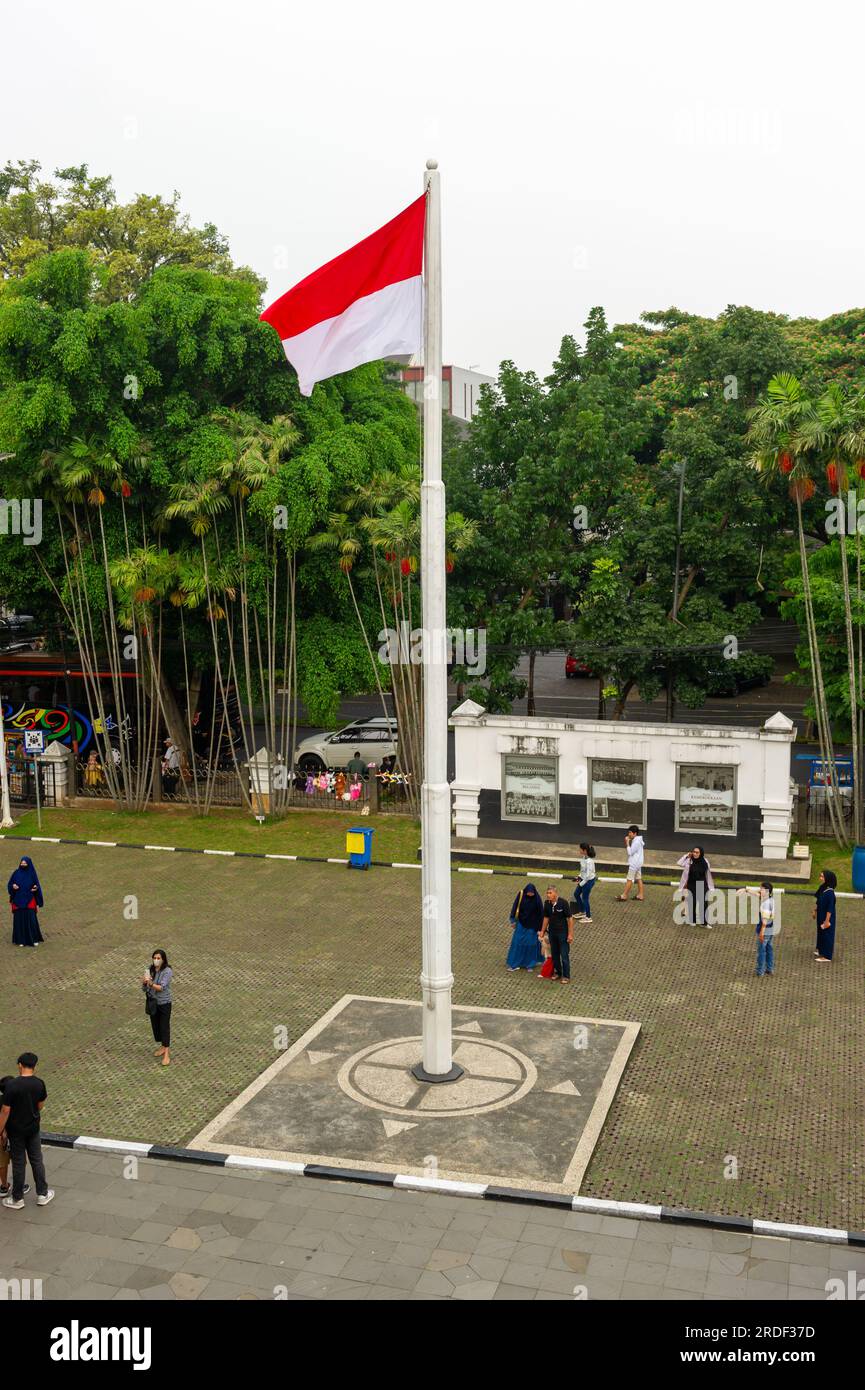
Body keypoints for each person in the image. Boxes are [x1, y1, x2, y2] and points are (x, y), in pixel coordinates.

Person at [0, 1051, 53, 1210]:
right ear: (35, 1066)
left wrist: (0, 1129)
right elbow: (40, 1105)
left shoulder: (12, 1085)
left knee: (19, 1163)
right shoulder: (39, 1083)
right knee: (37, 1160)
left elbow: (5, 1111)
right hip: (33, 1128)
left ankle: (17, 1199)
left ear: (20, 1065)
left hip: (16, 1130)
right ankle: (42, 1194)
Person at [142, 949, 173, 1065]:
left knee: (164, 1027)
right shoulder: (150, 970)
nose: (156, 960)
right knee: (156, 1026)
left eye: (158, 958)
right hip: (153, 1002)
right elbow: (144, 989)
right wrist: (144, 983)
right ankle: (162, 1046)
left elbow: (162, 987)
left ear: (163, 959)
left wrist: (151, 984)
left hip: (164, 1003)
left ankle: (166, 1053)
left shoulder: (167, 971)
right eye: (154, 958)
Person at [738, 882, 777, 975]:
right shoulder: (770, 899)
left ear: (767, 891)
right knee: (769, 949)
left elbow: (765, 919)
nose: (760, 890)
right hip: (771, 929)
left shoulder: (766, 904)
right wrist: (746, 889)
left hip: (765, 929)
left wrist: (761, 932)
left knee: (761, 951)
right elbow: (756, 894)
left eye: (762, 889)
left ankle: (760, 971)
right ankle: (770, 968)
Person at [0, 1077, 29, 1198]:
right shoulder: (18, 1099)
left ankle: (4, 1186)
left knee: (2, 1163)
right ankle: (19, 1185)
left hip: (1, 1136)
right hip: (16, 1135)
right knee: (19, 1161)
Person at [505, 883, 544, 971]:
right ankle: (515, 964)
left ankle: (529, 964)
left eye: (531, 893)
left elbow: (541, 914)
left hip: (532, 926)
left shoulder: (537, 900)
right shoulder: (521, 895)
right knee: (517, 943)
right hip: (521, 923)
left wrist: (541, 929)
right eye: (528, 893)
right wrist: (513, 920)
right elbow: (515, 907)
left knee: (530, 944)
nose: (530, 895)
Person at [8, 856, 44, 947]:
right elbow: (10, 884)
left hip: (29, 900)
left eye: (25, 863)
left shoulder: (32, 874)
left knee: (31, 920)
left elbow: (37, 885)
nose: (23, 864)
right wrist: (13, 886)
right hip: (18, 900)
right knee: (19, 920)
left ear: (28, 864)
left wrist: (35, 888)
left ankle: (34, 939)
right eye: (22, 863)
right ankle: (21, 940)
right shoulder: (16, 873)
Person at [541, 885, 573, 983]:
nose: (548, 895)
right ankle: (558, 972)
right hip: (552, 933)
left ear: (555, 893)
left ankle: (566, 976)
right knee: (555, 955)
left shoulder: (563, 903)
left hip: (562, 933)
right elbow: (546, 917)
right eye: (547, 893)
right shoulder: (547, 904)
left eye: (550, 893)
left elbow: (570, 919)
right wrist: (542, 930)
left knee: (564, 955)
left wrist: (570, 934)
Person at [676, 846, 715, 927]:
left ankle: (704, 923)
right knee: (692, 902)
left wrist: (709, 886)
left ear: (701, 853)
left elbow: (707, 873)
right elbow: (679, 863)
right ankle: (692, 920)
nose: (695, 854)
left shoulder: (705, 861)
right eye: (694, 852)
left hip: (702, 883)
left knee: (703, 902)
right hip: (691, 883)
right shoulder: (689, 860)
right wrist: (686, 855)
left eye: (697, 852)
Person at [813, 869, 838, 963]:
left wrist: (827, 921)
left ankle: (827, 956)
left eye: (822, 876)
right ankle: (821, 950)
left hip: (827, 917)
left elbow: (830, 908)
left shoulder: (830, 893)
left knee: (827, 934)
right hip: (820, 914)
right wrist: (815, 911)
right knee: (821, 932)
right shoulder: (823, 888)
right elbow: (818, 900)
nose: (820, 878)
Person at [617, 826, 645, 902]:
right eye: (628, 832)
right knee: (639, 878)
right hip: (638, 862)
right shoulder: (638, 840)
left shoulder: (636, 842)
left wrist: (627, 843)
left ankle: (624, 896)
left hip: (634, 863)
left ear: (635, 833)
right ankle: (640, 895)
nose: (629, 834)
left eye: (630, 832)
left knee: (629, 879)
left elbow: (630, 852)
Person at [574, 843, 597, 924]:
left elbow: (587, 876)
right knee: (576, 894)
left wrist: (580, 884)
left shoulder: (590, 862)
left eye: (580, 849)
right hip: (584, 880)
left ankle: (588, 917)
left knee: (585, 898)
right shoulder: (583, 858)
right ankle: (582, 912)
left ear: (585, 850)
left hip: (588, 882)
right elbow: (582, 871)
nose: (579, 850)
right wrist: (579, 877)